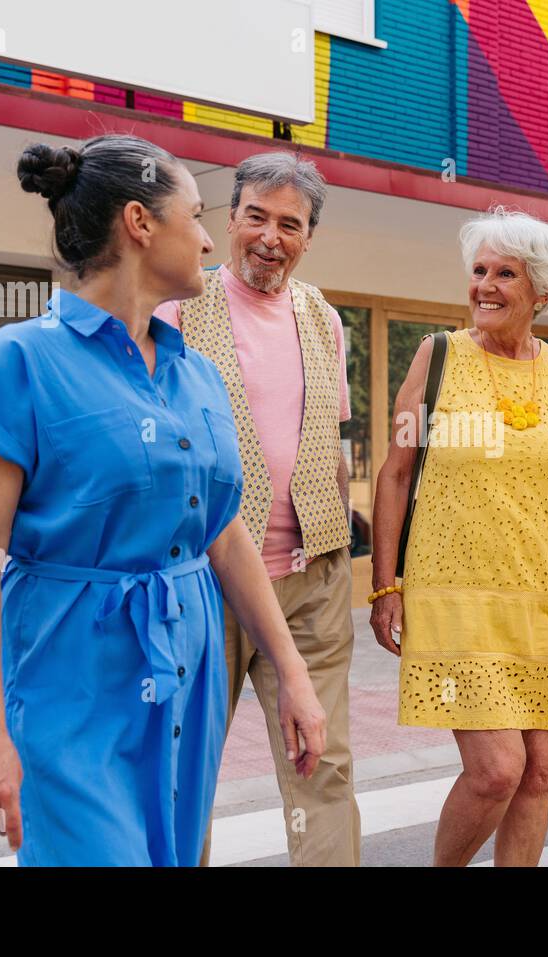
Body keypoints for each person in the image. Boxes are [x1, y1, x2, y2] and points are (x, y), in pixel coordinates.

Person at [0, 134, 325, 866]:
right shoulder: (20, 361)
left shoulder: (198, 376)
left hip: (189, 666)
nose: (213, 238)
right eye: (196, 215)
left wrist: (293, 674)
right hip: (71, 674)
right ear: (140, 224)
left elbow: (224, 532)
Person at [370, 206, 548, 867]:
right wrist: (385, 584)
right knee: (497, 770)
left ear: (542, 290)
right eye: (479, 271)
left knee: (537, 775)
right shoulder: (439, 354)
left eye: (506, 272)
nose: (487, 286)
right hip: (456, 599)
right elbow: (394, 475)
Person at [155, 151, 360, 867]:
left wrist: (337, 545)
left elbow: (329, 444)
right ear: (229, 219)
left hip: (310, 580)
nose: (271, 236)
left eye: (290, 224)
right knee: (184, 772)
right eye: (256, 217)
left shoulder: (324, 318)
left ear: (309, 236)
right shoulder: (175, 307)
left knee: (322, 761)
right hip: (203, 582)